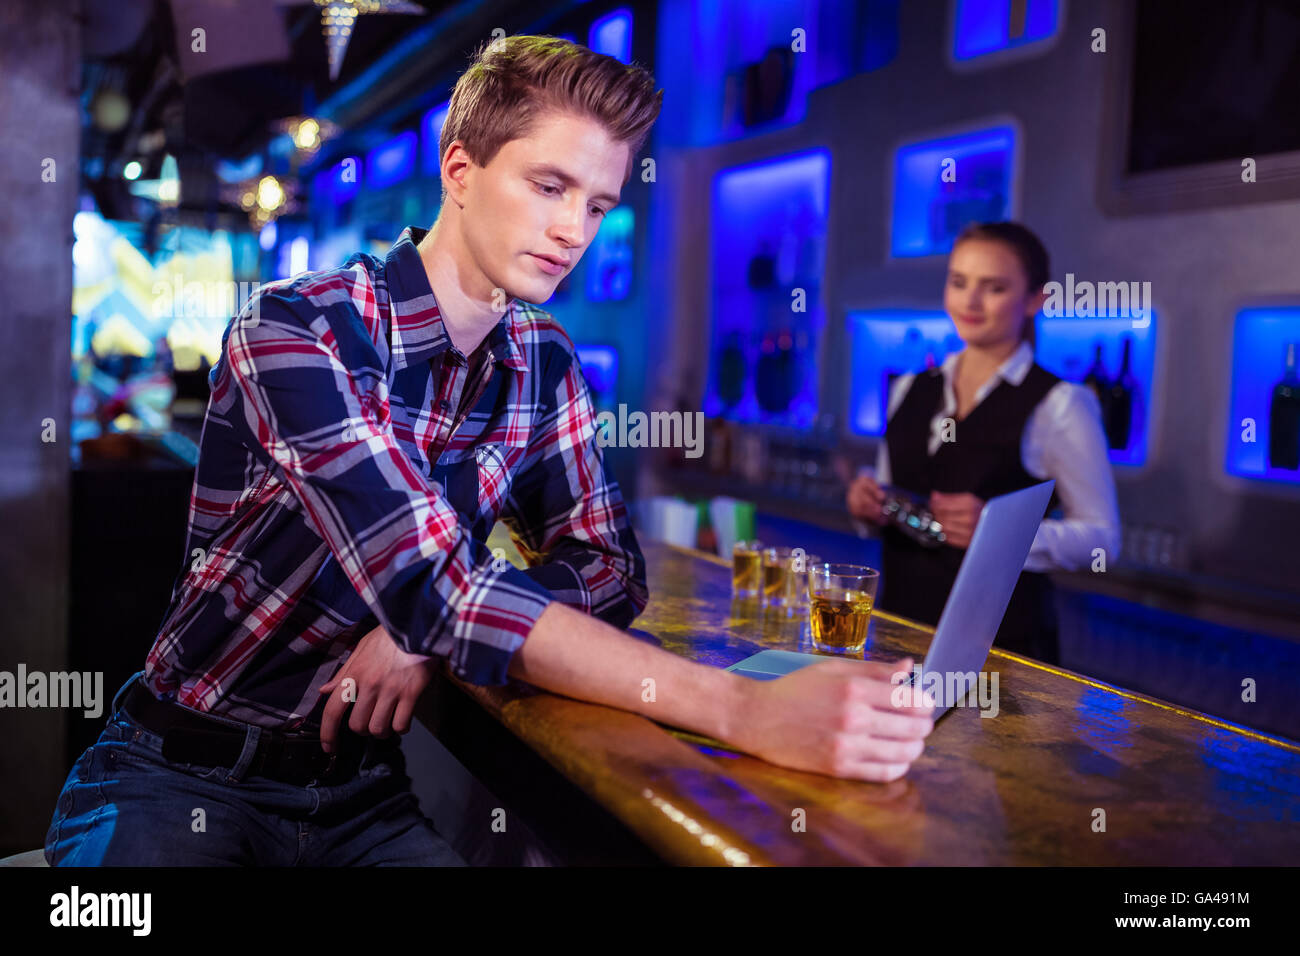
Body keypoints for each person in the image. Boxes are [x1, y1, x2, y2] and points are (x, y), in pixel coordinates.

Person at [47, 35, 935, 867]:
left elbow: (612, 567)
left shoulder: (544, 362)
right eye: (549, 186)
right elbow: (431, 585)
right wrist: (747, 708)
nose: (575, 231)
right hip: (181, 769)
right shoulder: (298, 326)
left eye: (597, 204)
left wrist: (429, 637)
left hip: (358, 792)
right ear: (460, 169)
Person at [847, 221, 1120, 665]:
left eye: (993, 287)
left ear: (1036, 299)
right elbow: (893, 499)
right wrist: (868, 507)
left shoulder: (1061, 404)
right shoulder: (909, 388)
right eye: (959, 283)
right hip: (899, 638)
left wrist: (998, 534)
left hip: (1001, 654)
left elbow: (1103, 542)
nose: (970, 301)